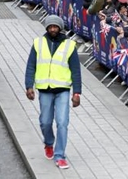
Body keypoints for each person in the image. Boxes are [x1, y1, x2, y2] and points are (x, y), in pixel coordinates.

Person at [23, 15, 81, 169]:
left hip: (63, 90)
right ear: (47, 28)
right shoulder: (38, 43)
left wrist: (77, 93)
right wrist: (29, 86)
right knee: (45, 121)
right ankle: (49, 143)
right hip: (45, 89)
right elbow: (31, 66)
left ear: (60, 28)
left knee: (62, 123)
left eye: (55, 27)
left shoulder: (70, 45)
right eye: (50, 27)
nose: (53, 29)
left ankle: (60, 155)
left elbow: (76, 70)